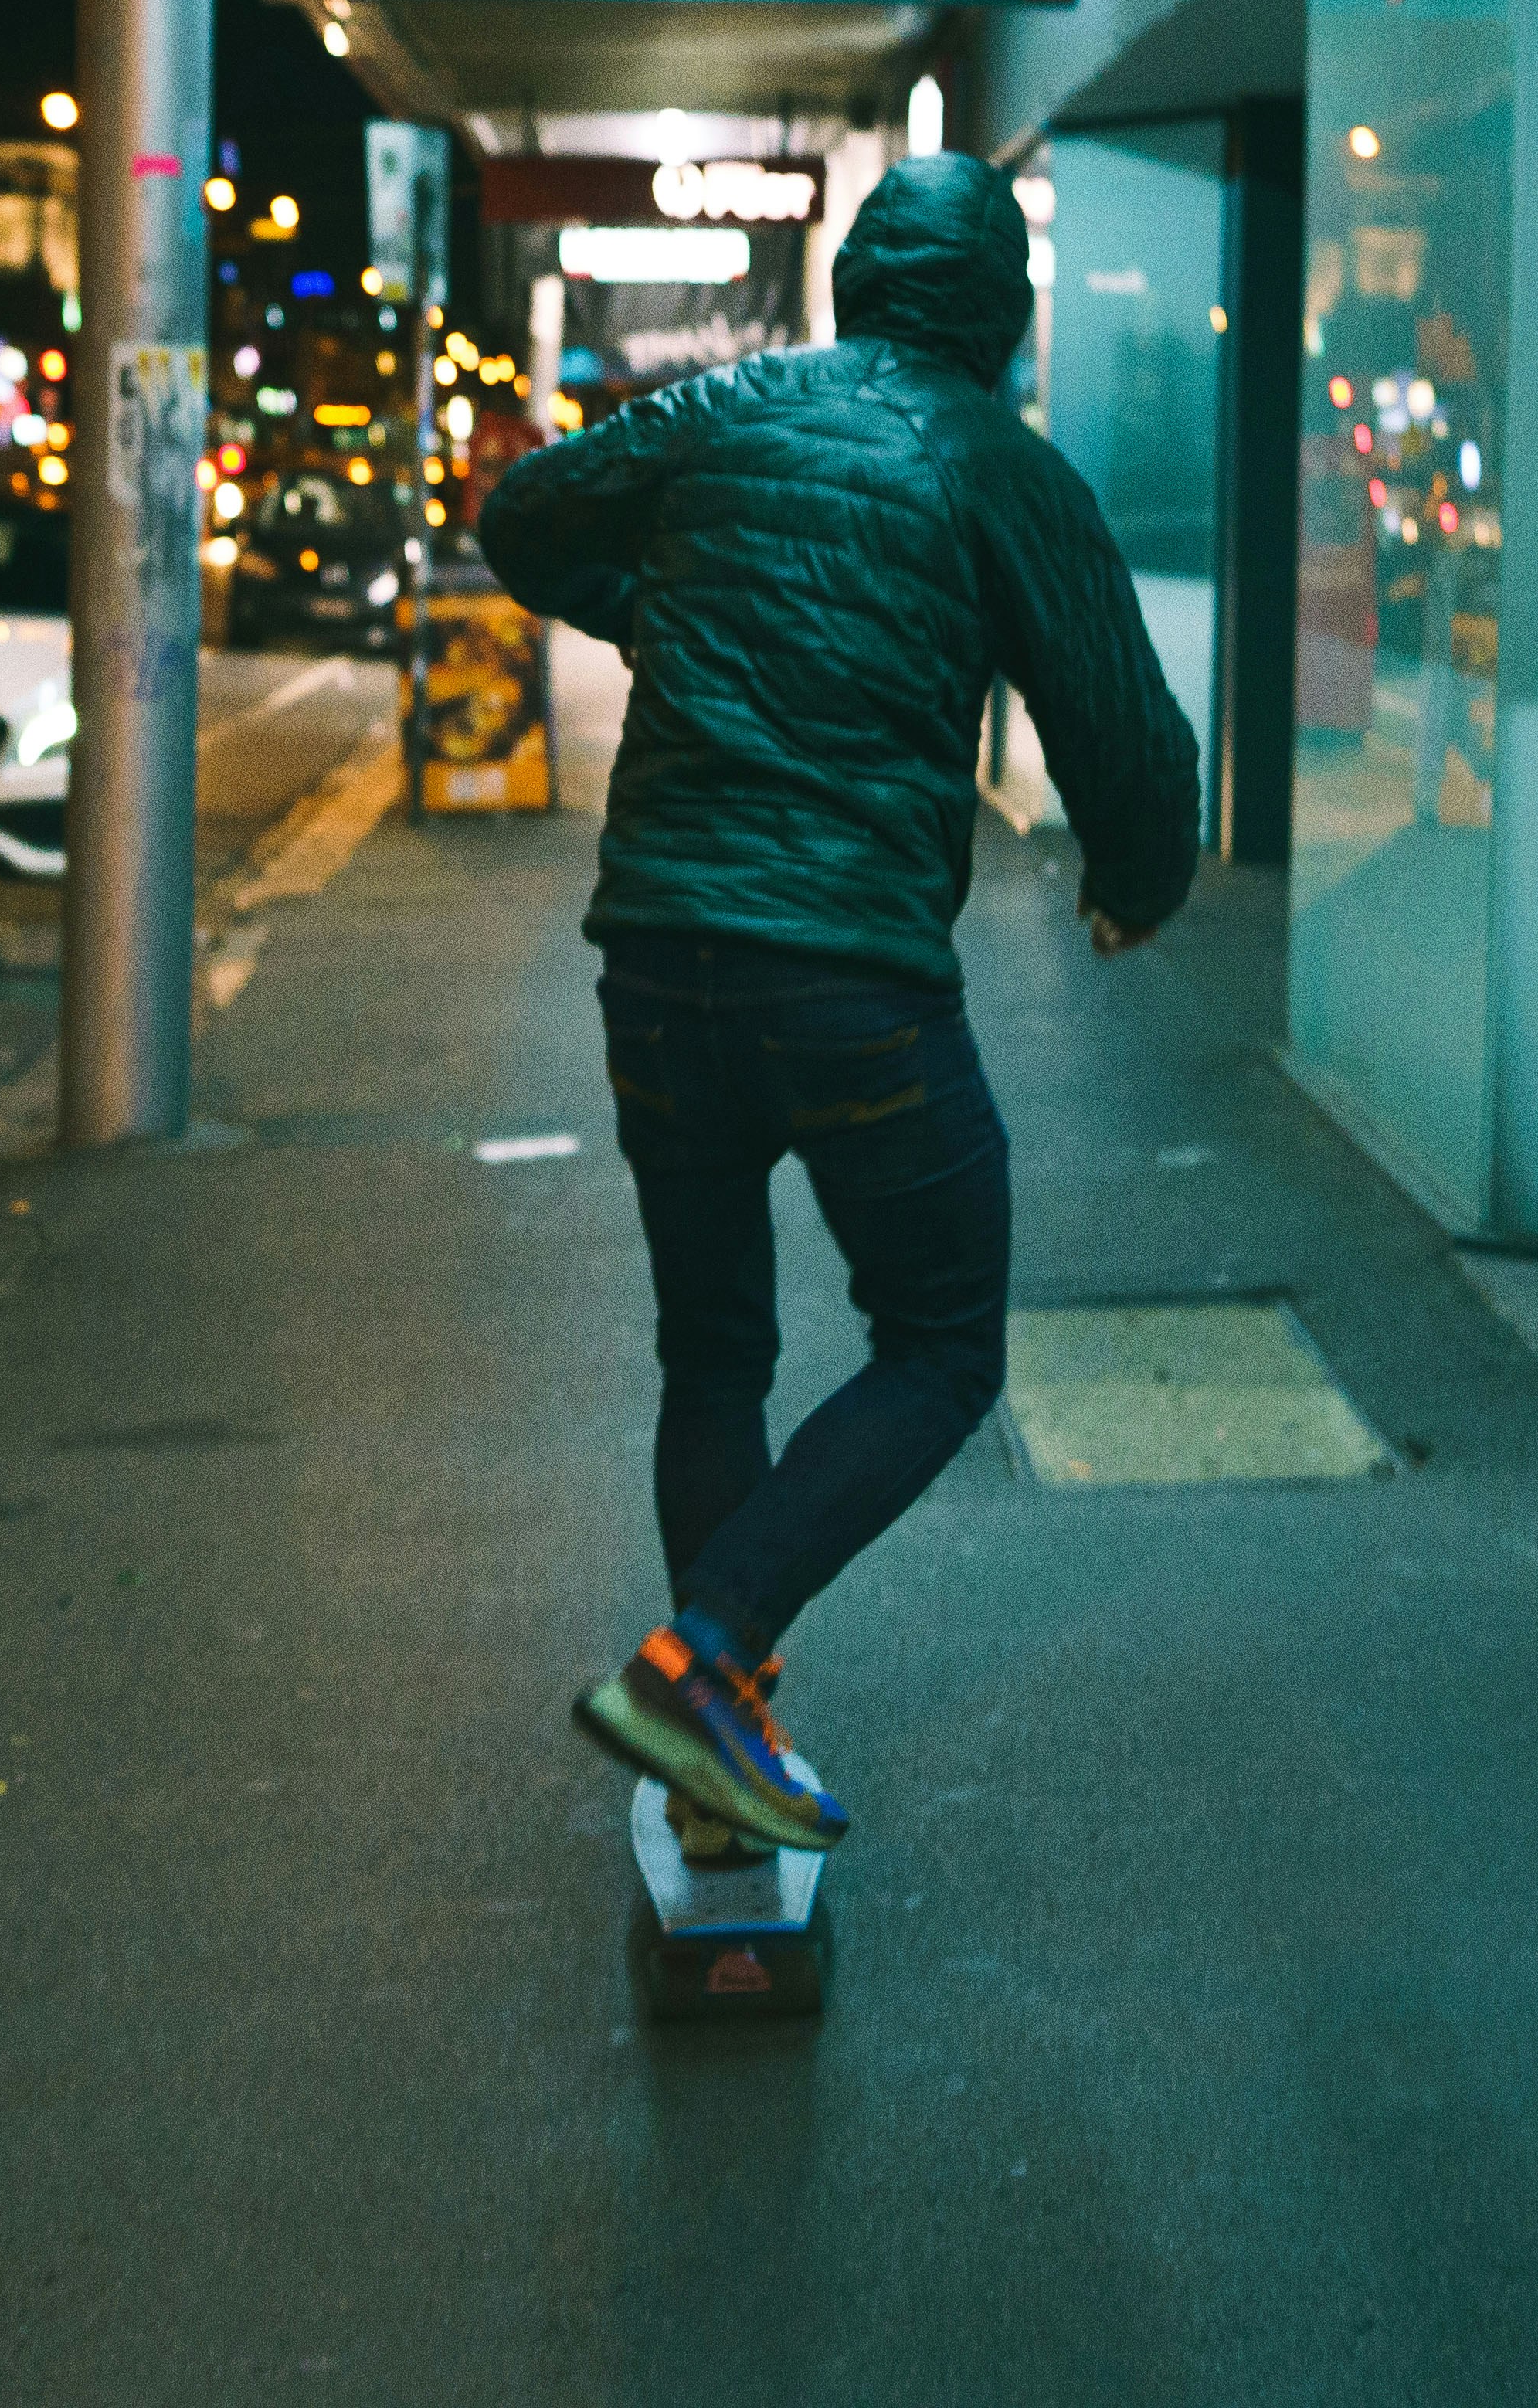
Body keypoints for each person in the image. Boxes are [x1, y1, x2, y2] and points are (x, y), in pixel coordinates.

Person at [481, 151, 1199, 1860]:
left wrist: (665, 612)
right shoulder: (996, 462)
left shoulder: (725, 409)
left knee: (714, 1347)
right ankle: (704, 1662)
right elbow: (1125, 730)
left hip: (658, 954)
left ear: (859, 281)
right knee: (944, 1335)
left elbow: (522, 515)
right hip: (847, 975)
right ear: (1004, 316)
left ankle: (715, 1760)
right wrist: (1134, 884)